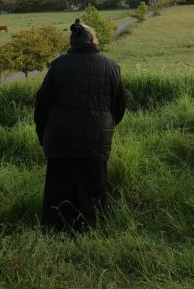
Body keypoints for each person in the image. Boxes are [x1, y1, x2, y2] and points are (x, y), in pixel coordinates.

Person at [34, 18, 126, 232]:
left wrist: (44, 135)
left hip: (60, 140)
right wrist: (107, 127)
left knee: (58, 189)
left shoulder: (57, 65)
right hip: (96, 140)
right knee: (94, 189)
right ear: (93, 40)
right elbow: (119, 107)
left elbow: (42, 105)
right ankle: (91, 231)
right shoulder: (112, 67)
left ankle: (56, 231)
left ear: (72, 42)